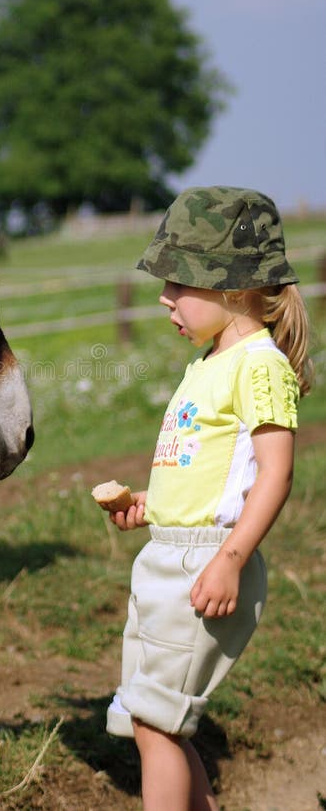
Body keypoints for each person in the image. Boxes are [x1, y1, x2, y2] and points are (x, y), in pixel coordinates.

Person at [104, 186, 312, 811]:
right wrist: (151, 505)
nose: (165, 297)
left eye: (179, 281)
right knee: (149, 719)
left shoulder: (259, 365)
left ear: (231, 287)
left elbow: (275, 476)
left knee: (157, 722)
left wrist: (231, 557)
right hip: (167, 561)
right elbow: (210, 471)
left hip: (207, 565)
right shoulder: (207, 363)